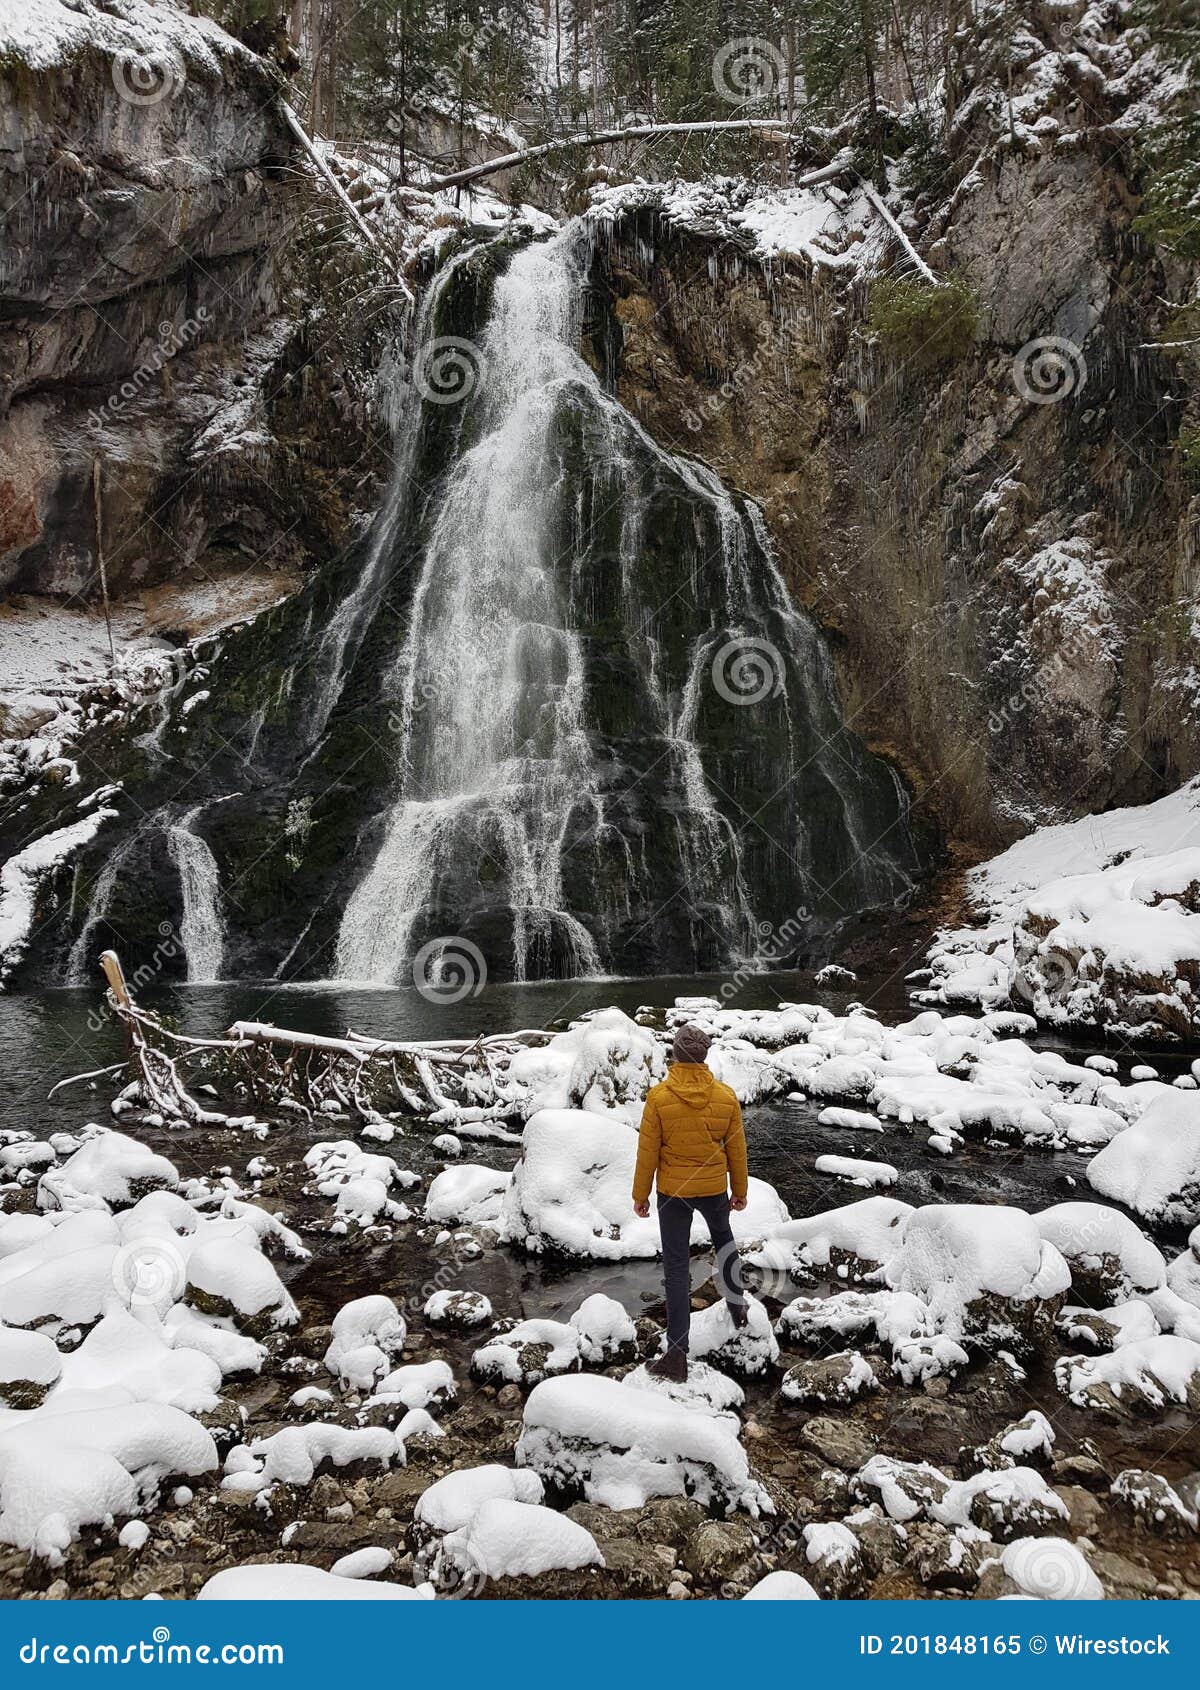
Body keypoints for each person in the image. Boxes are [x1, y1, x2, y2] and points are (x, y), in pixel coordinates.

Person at [632, 1023, 749, 1382]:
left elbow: (647, 1152)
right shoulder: (725, 1096)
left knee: (677, 1270)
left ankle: (677, 1356)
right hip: (714, 1189)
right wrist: (739, 1190)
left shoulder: (659, 1097)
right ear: (704, 1056)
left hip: (673, 1193)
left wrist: (640, 1195)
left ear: (676, 1055)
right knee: (725, 1246)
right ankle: (738, 1308)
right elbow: (737, 1151)